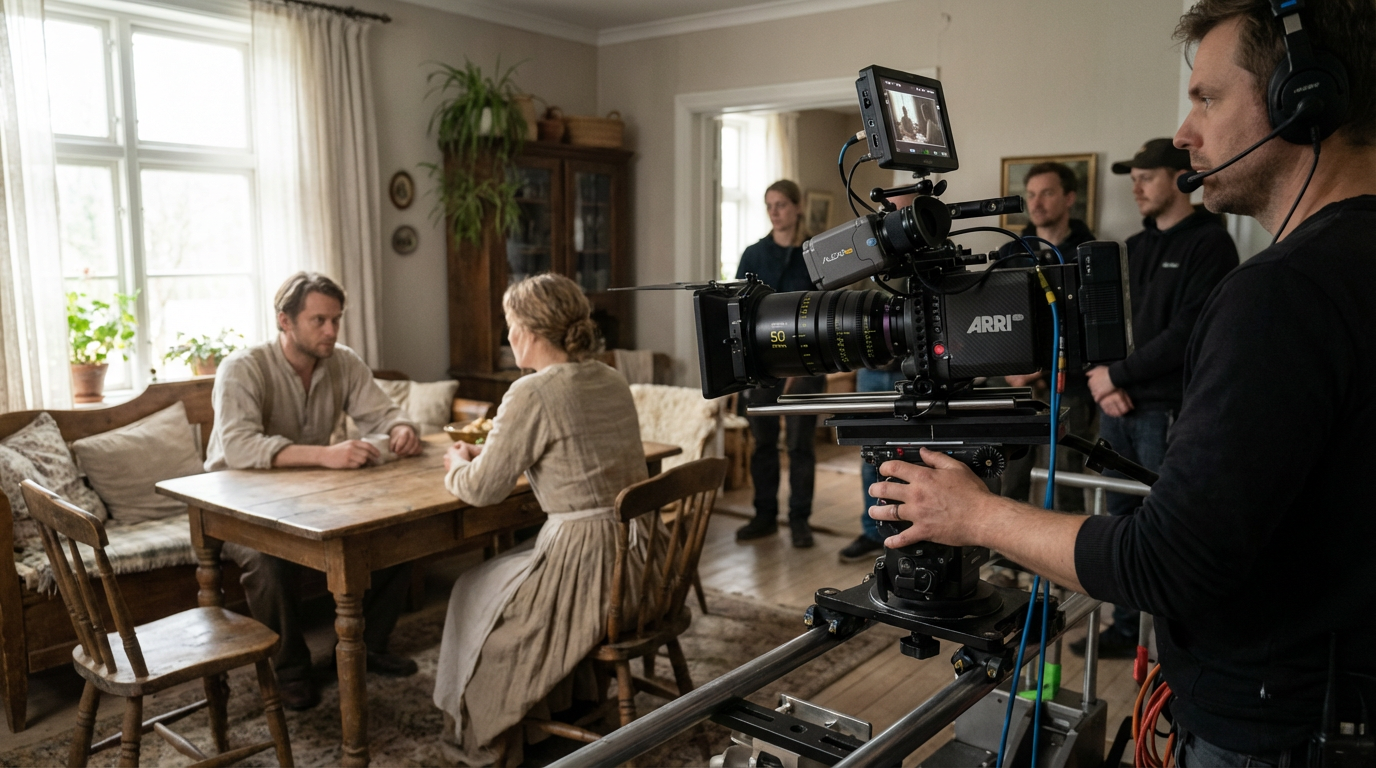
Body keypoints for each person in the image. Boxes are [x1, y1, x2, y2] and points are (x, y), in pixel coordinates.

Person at [868, 2, 1376, 763]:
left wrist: (971, 514)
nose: (1183, 132)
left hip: (1281, 732)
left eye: (1206, 97)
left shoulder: (1284, 292)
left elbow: (1165, 563)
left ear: (1301, 98)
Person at [433, 273, 652, 764]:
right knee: (489, 582)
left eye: (510, 324)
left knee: (471, 590)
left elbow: (483, 489)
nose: (507, 335)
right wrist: (489, 452)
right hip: (639, 558)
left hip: (586, 562)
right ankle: (567, 700)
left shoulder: (531, 392)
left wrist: (457, 465)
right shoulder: (610, 377)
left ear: (530, 332)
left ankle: (497, 729)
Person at [206, 271, 424, 710]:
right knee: (269, 561)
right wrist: (326, 455)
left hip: (312, 497)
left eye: (336, 320)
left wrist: (401, 428)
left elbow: (384, 413)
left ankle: (368, 647)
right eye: (319, 320)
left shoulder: (342, 361)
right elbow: (239, 446)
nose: (331, 331)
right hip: (234, 503)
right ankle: (290, 671)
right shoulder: (242, 368)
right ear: (284, 321)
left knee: (401, 532)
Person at [1071, 138, 1238, 659]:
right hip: (1115, 408)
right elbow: (1104, 324)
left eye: (1147, 176)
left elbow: (1188, 332)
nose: (1136, 187)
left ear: (1178, 176)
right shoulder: (1134, 247)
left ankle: (1176, 643)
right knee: (1117, 523)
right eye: (1133, 178)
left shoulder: (1211, 244)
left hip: (1162, 412)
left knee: (1167, 527)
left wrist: (1114, 376)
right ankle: (1126, 629)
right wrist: (1103, 376)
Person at [995, 162, 1098, 512]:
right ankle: (1007, 563)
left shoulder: (1091, 252)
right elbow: (998, 319)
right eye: (1032, 194)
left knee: (1066, 478)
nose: (1036, 203)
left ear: (1069, 198)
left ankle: (1061, 564)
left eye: (1047, 193)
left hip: (1070, 385)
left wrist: (1047, 367)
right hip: (1017, 387)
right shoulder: (1011, 252)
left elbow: (1092, 326)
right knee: (1010, 478)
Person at [734, 179, 826, 548]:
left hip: (805, 365)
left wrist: (806, 367)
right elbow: (738, 311)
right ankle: (764, 515)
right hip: (761, 366)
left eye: (782, 204)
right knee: (763, 446)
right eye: (769, 205)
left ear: (798, 207)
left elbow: (824, 310)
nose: (775, 211)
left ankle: (800, 520)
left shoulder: (814, 253)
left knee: (801, 447)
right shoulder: (753, 255)